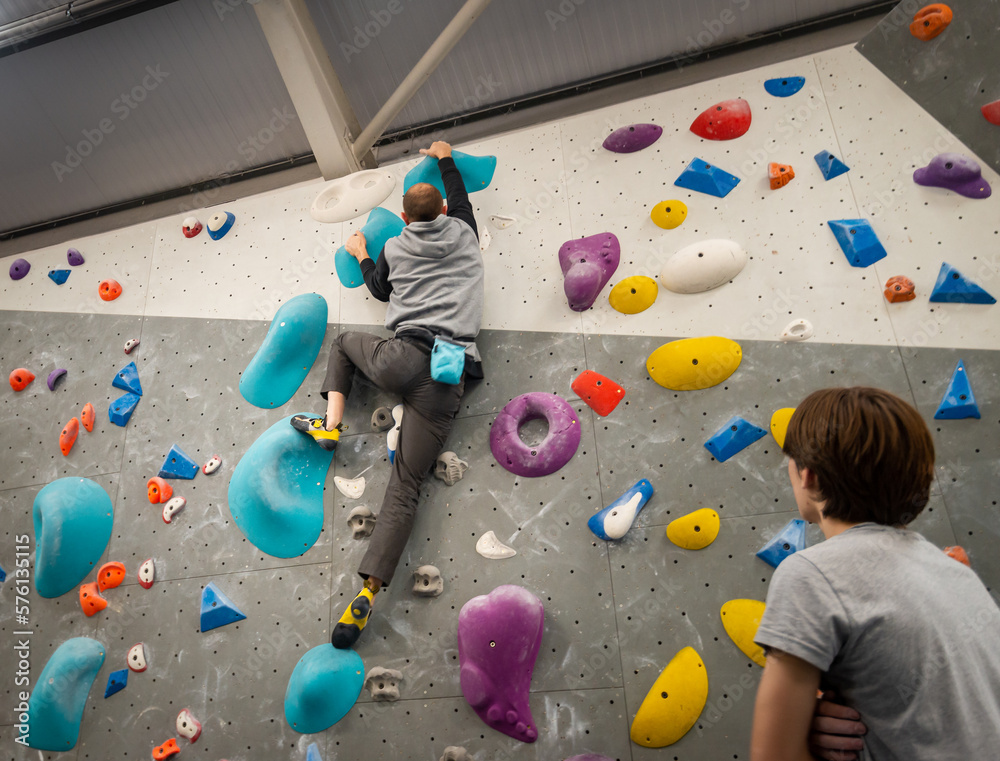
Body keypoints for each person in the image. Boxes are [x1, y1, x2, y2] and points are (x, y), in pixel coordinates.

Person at [291, 140, 484, 649]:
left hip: (401, 358)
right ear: (444, 210)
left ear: (402, 216)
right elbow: (462, 200)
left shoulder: (395, 248)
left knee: (344, 343)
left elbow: (377, 290)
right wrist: (445, 156)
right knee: (406, 485)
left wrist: (360, 252)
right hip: (449, 373)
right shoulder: (465, 232)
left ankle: (331, 424)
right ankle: (369, 592)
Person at [750, 386, 1000, 760]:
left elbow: (775, 756)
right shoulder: (955, 574)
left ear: (809, 476)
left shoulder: (809, 573)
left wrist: (804, 732)